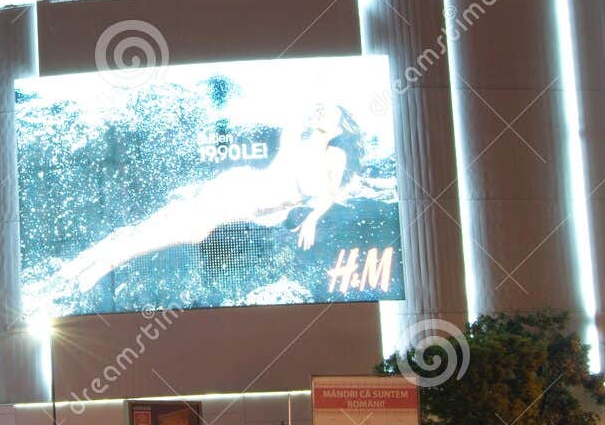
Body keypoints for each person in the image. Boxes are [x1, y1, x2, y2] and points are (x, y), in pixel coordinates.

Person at [32, 102, 373, 305]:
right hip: (238, 192)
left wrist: (313, 218)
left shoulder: (335, 156)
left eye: (330, 112)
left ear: (340, 127)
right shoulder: (293, 137)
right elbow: (293, 111)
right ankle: (96, 264)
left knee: (162, 229)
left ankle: (88, 262)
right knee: (174, 231)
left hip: (249, 207)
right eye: (321, 108)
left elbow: (328, 194)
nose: (321, 111)